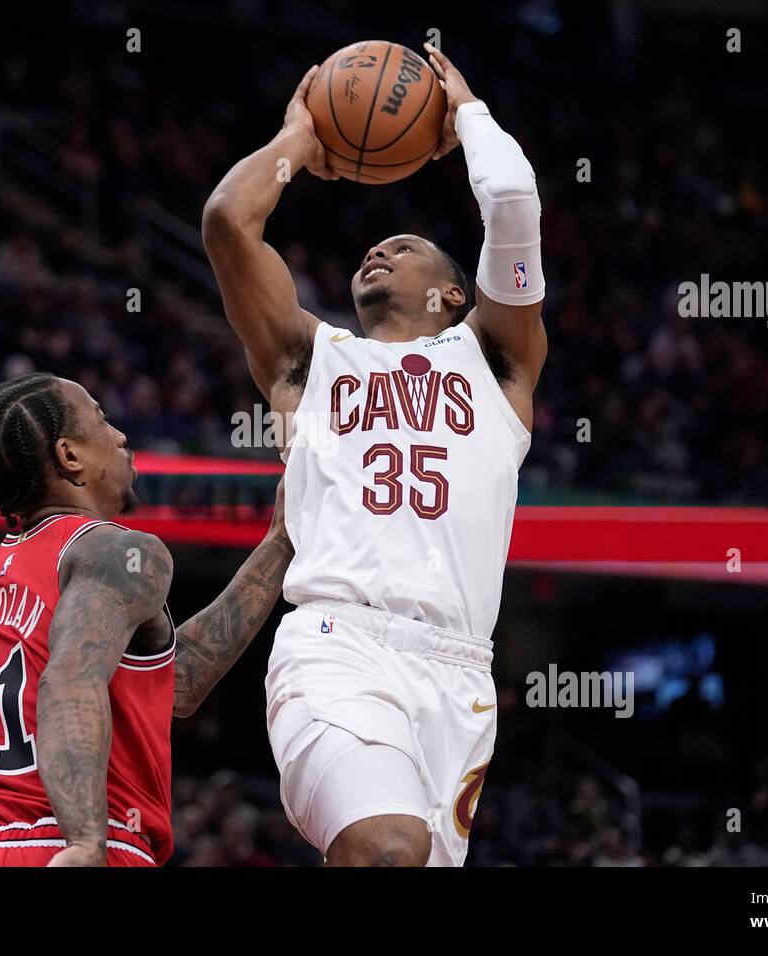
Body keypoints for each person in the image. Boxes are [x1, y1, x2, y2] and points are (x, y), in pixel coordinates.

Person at [201, 45, 546, 866]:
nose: (377, 254)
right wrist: (297, 137)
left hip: (460, 676)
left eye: (402, 245)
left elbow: (513, 199)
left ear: (456, 292)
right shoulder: (306, 358)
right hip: (336, 642)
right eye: (370, 252)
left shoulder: (496, 361)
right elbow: (226, 222)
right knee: (387, 850)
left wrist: (466, 113)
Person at [0, 373, 291, 866]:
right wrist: (84, 840)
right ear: (70, 456)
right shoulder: (116, 549)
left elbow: (173, 684)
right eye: (100, 418)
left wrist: (279, 544)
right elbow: (71, 678)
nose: (120, 435)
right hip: (65, 842)